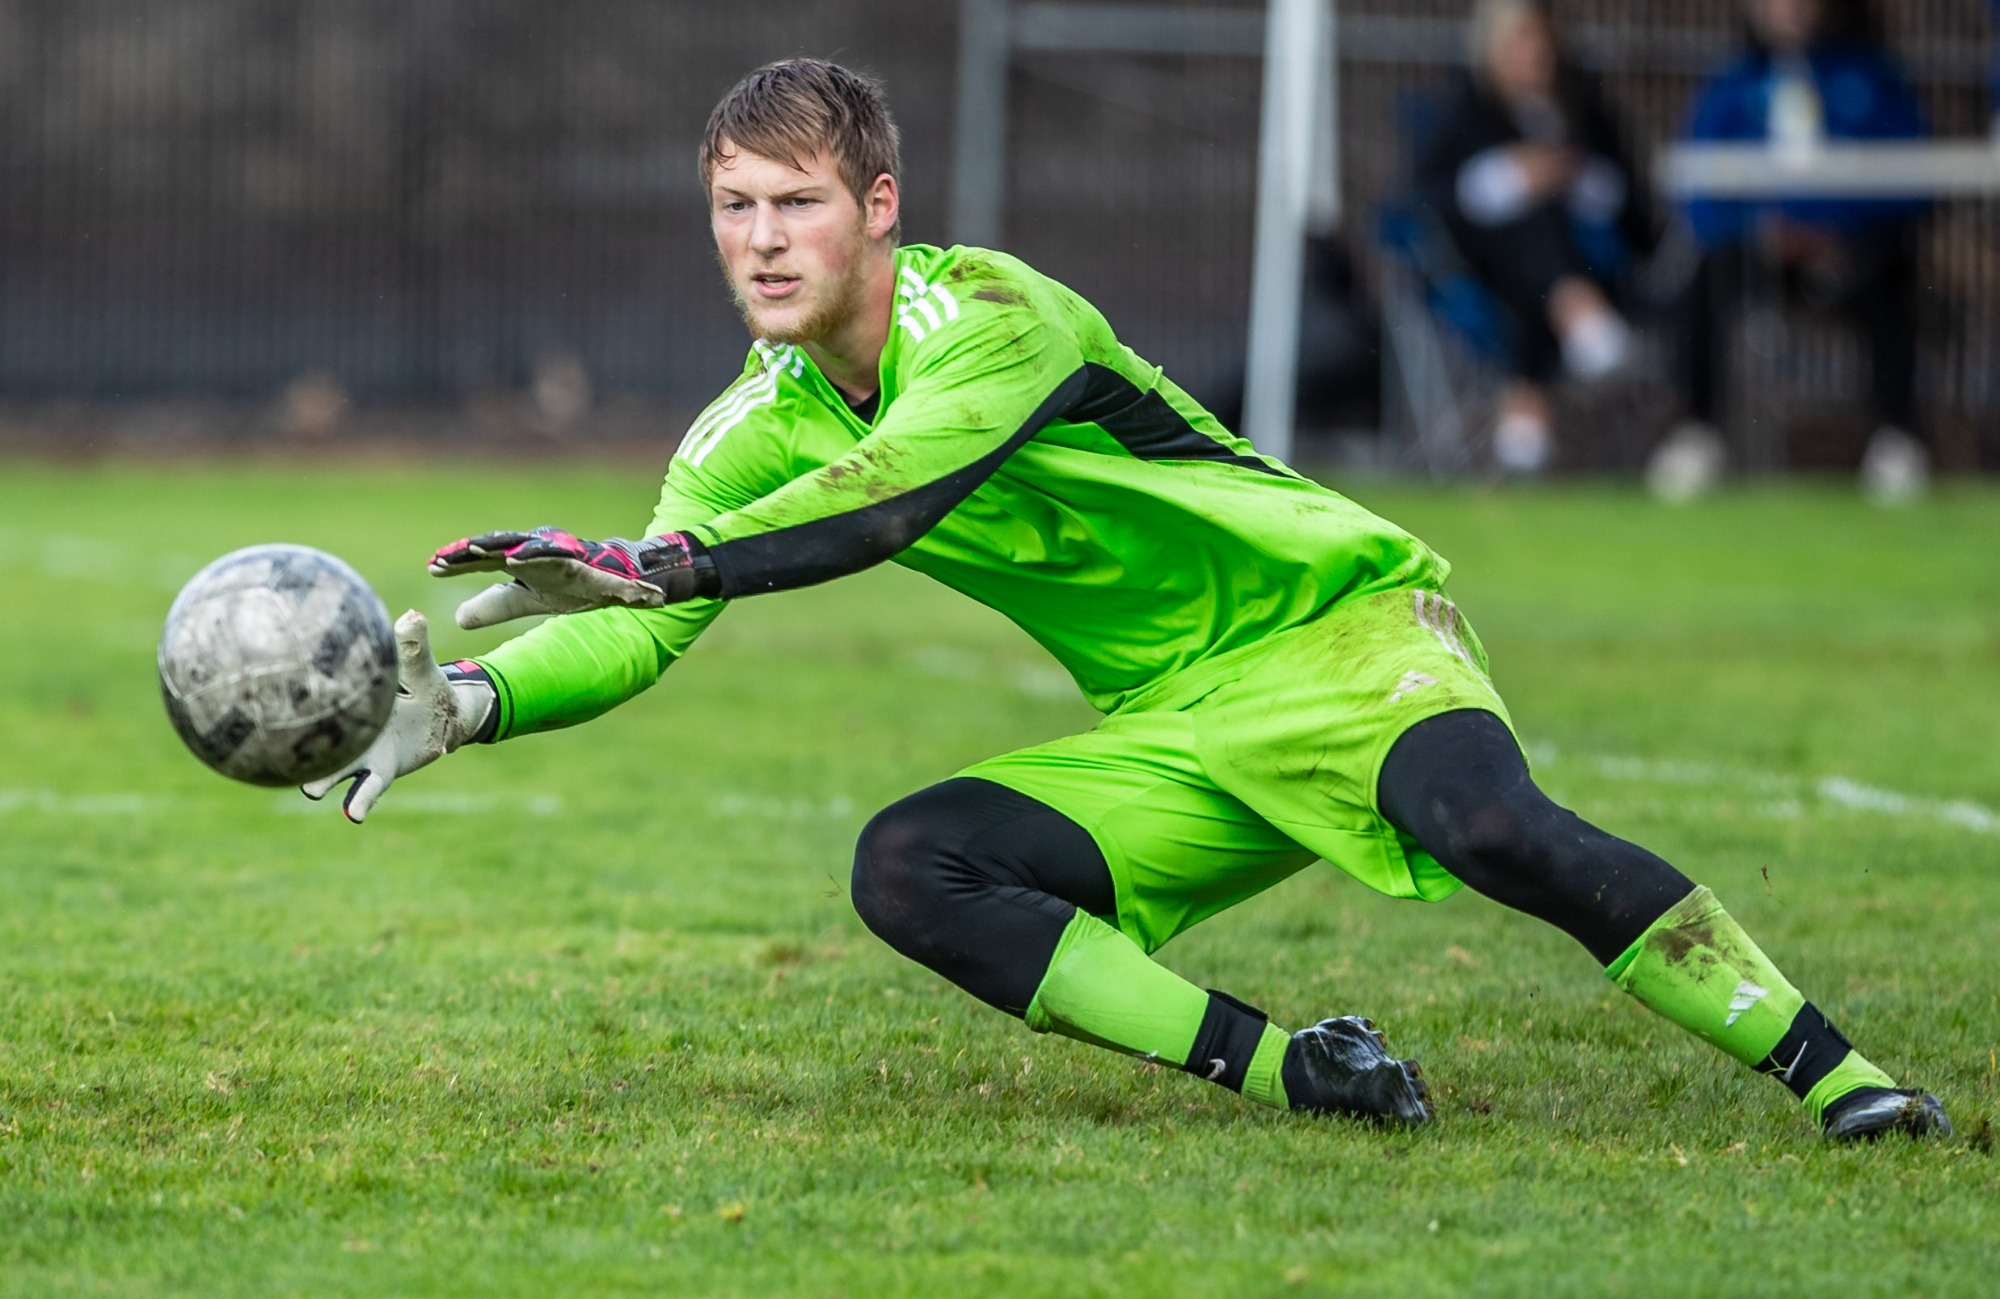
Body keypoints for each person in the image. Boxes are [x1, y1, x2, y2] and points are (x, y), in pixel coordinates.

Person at [310, 59, 1948, 1142]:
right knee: (912, 863)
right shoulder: (751, 428)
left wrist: (659, 555)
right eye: (736, 205)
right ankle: (1296, 1065)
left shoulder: (997, 315)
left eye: (796, 199)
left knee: (1487, 822)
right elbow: (648, 618)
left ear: (879, 207)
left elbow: (891, 503)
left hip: (1338, 628)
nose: (762, 236)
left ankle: (1844, 1078)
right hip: (1179, 729)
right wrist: (470, 704)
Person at [1661, 0, 1929, 500]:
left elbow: (1912, 179)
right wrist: (1760, 228)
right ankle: (1696, 433)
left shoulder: (1870, 76)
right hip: (1761, 253)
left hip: (1853, 252)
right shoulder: (1732, 83)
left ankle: (1899, 437)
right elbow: (1695, 188)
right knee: (1704, 276)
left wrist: (1838, 228)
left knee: (1896, 283)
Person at [1415, 0, 1649, 473]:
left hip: (1587, 260)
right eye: (1521, 44)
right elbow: (1431, 200)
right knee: (1527, 216)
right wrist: (1512, 176)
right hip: (1481, 274)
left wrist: (1569, 173)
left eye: (1541, 45)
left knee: (1541, 228)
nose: (1534, 57)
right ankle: (1579, 314)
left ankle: (1526, 415)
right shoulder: (1464, 112)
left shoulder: (1584, 110)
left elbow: (1631, 202)